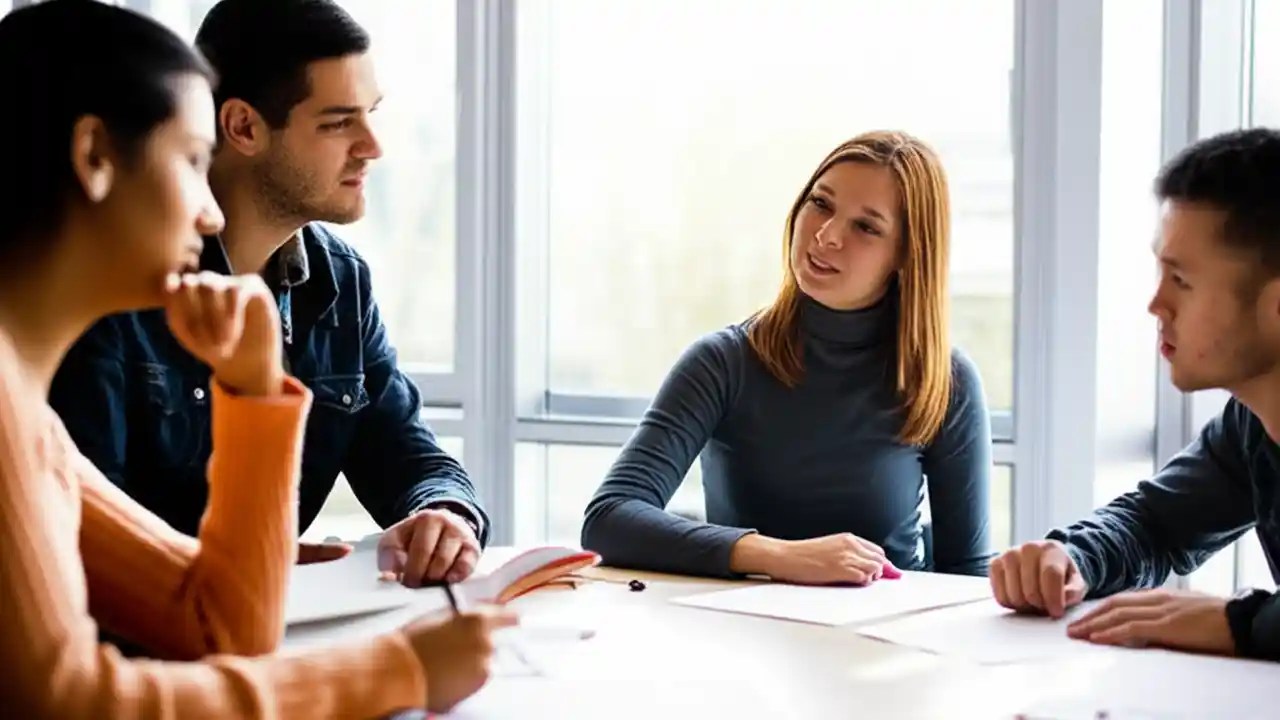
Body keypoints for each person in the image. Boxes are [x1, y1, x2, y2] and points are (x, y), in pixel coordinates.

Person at [0, 2, 512, 717]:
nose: (207, 211)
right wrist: (391, 673)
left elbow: (219, 621)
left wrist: (255, 390)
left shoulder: (25, 421)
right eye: (188, 159)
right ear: (95, 159)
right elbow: (67, 698)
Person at [49, 0, 486, 588]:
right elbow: (90, 548)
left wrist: (445, 516)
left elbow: (409, 455)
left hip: (258, 627)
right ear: (244, 127)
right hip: (153, 644)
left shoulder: (341, 282)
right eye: (338, 122)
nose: (373, 145)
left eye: (371, 114)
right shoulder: (120, 288)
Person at [581, 131, 993, 582]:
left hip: (884, 641)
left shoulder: (945, 380)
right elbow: (609, 518)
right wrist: (779, 556)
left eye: (866, 226)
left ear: (906, 255)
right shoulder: (723, 363)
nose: (827, 234)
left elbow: (966, 575)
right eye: (821, 203)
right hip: (744, 637)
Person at [988, 128, 1280, 662]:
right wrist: (1074, 558)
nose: (1156, 303)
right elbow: (1156, 524)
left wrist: (1243, 622)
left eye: (1182, 280)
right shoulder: (1252, 426)